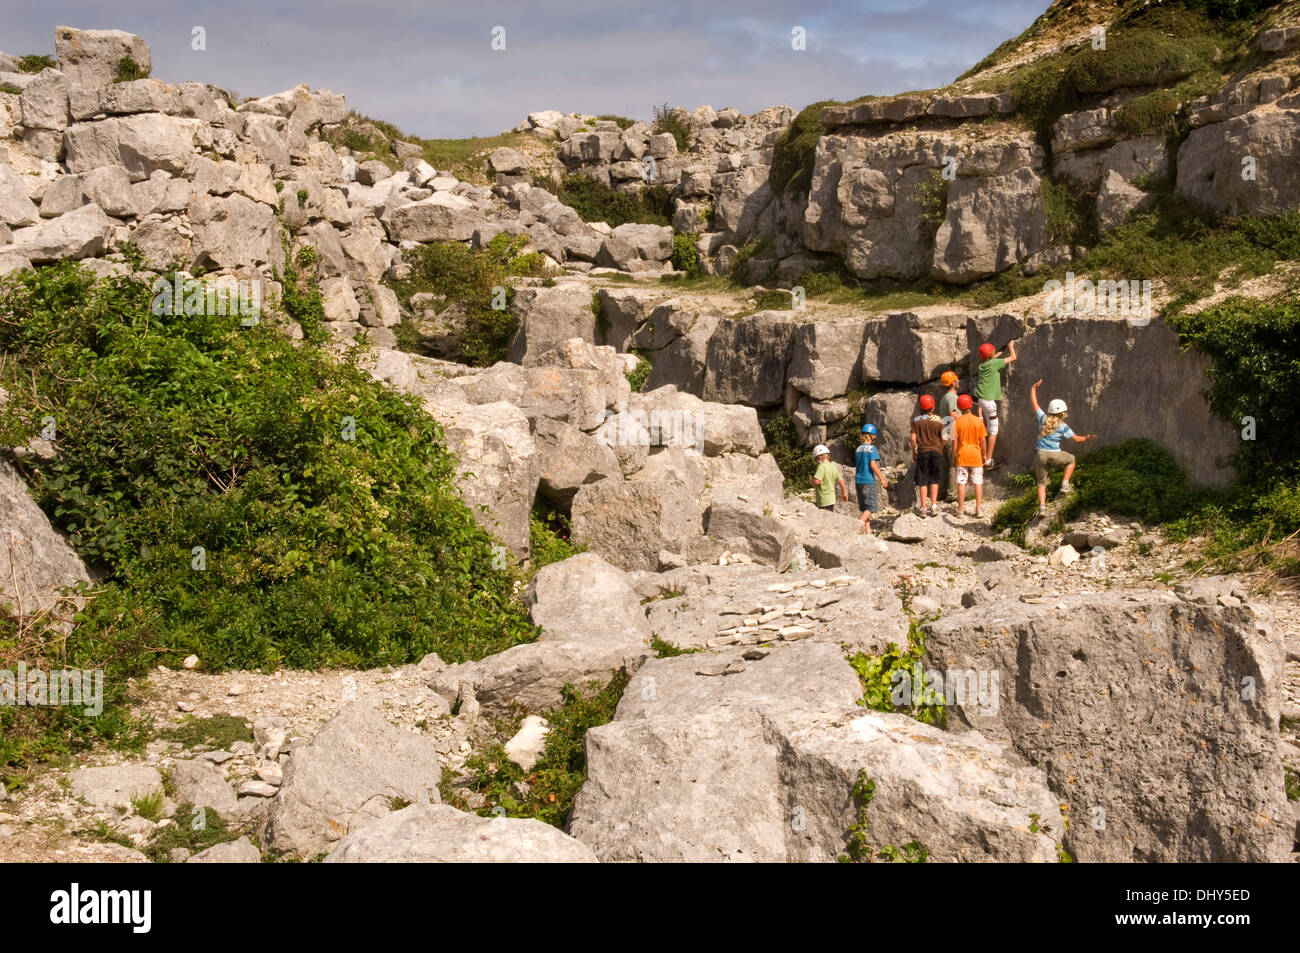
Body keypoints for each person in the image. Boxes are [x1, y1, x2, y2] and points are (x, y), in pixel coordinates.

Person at [1030, 378, 1096, 517]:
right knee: (1071, 460)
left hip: (1041, 455)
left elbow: (1035, 403)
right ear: (1063, 413)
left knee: (1041, 483)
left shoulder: (1043, 419)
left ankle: (1042, 508)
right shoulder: (1063, 426)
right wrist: (1087, 438)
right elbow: (1077, 439)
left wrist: (1033, 389)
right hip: (1055, 454)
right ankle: (1065, 484)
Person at [974, 339, 1017, 469]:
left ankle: (982, 455)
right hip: (988, 401)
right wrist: (1010, 346)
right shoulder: (994, 364)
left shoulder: (982, 364)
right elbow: (1014, 357)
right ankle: (988, 460)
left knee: (987, 426)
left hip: (980, 399)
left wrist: (999, 351)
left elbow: (993, 358)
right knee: (993, 430)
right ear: (991, 355)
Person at [951, 394, 988, 518]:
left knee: (961, 483)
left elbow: (954, 442)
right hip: (976, 455)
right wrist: (984, 455)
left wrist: (953, 456)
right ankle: (978, 509)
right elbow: (983, 441)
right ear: (971, 405)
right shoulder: (978, 421)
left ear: (958, 407)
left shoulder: (956, 422)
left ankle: (960, 509)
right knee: (978, 482)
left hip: (962, 455)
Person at [909, 394, 944, 517]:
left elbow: (913, 439)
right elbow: (945, 437)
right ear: (932, 407)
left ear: (920, 408)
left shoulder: (916, 420)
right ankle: (933, 506)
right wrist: (940, 446)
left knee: (923, 480)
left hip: (923, 452)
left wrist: (914, 451)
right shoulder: (940, 420)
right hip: (936, 451)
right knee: (935, 478)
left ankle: (923, 507)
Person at [855, 424, 889, 535]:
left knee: (864, 507)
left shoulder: (858, 449)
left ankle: (868, 531)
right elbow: (873, 465)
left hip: (858, 481)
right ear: (871, 436)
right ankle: (856, 526)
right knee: (870, 507)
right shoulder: (872, 449)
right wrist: (882, 479)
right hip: (868, 480)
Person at [938, 370, 960, 501]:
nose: (958, 381)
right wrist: (966, 419)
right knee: (953, 463)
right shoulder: (952, 397)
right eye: (956, 379)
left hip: (945, 431)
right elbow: (952, 414)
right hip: (952, 432)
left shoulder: (944, 397)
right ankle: (952, 494)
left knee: (946, 465)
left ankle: (942, 493)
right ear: (953, 382)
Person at [810, 444, 847, 511]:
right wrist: (844, 492)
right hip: (832, 500)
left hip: (823, 500)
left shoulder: (821, 467)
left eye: (816, 459)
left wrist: (811, 480)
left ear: (819, 457)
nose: (816, 461)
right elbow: (841, 481)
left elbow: (817, 481)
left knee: (823, 519)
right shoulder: (832, 467)